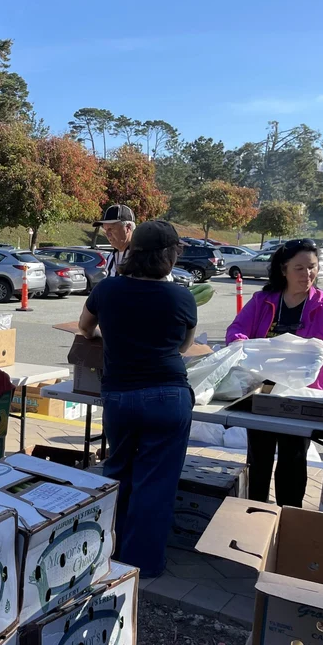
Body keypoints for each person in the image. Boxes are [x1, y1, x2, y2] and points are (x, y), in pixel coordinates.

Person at [77, 220, 197, 577]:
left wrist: (113, 333)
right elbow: (184, 346)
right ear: (169, 257)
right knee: (156, 482)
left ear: (133, 253)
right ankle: (141, 564)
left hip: (121, 395)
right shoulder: (181, 296)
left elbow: (85, 327)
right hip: (168, 395)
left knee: (117, 471)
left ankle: (102, 552)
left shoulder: (108, 289)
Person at [227, 239, 323, 507]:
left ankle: (290, 515)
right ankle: (254, 512)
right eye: (299, 268)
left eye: (312, 267)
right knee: (259, 458)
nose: (307, 274)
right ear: (283, 269)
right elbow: (236, 331)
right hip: (261, 392)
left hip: (305, 394)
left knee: (293, 457)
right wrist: (243, 344)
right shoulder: (263, 300)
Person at [93, 204, 136, 277]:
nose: (107, 234)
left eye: (111, 229)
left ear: (128, 228)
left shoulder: (141, 257)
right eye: (105, 229)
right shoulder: (111, 256)